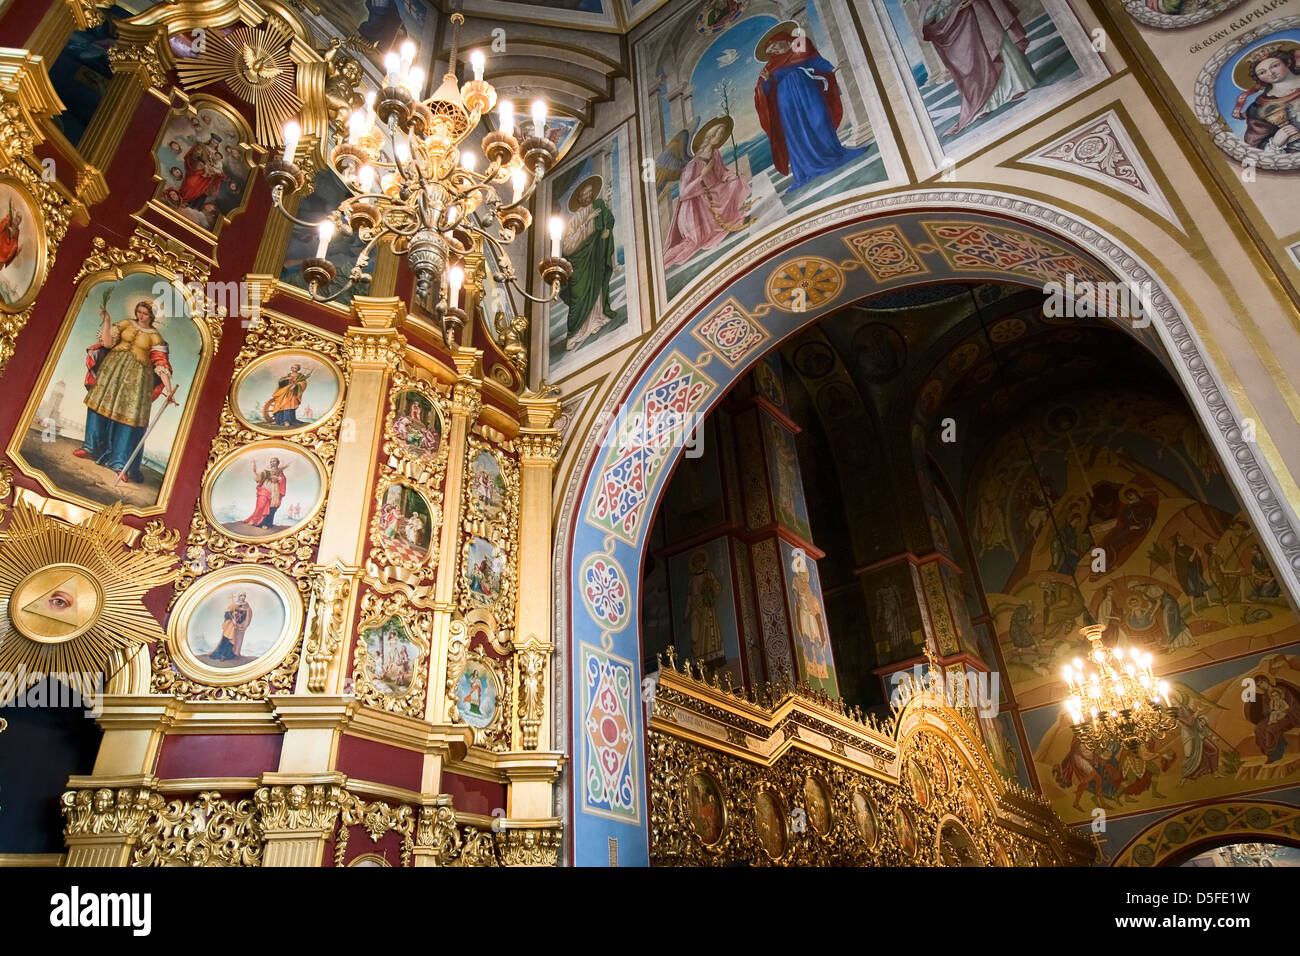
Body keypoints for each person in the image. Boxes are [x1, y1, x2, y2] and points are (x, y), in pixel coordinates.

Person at [75, 296, 175, 483]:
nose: (141, 316)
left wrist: (168, 390)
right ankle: (90, 448)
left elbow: (161, 363)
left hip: (137, 380)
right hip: (112, 371)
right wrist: (107, 320)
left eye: (145, 314)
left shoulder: (155, 337)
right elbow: (106, 343)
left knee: (129, 419)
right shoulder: (124, 324)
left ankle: (119, 464)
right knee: (98, 407)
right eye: (139, 312)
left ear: (152, 316)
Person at [753, 21, 865, 189]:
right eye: (771, 51)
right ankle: (807, 167)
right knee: (796, 132)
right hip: (786, 102)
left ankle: (832, 153)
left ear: (784, 40)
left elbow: (816, 62)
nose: (774, 52)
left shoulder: (801, 49)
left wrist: (831, 69)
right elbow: (765, 90)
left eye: (775, 47)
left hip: (808, 90)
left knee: (819, 119)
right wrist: (766, 80)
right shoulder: (769, 66)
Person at [919, 0, 1037, 137]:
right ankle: (984, 105)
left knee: (995, 45)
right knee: (971, 64)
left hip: (976, 13)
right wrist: (936, 4)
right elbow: (925, 20)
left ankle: (1016, 86)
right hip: (953, 30)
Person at [661, 116, 752, 267]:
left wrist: (730, 175)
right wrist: (702, 176)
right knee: (696, 240)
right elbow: (684, 193)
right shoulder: (693, 164)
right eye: (718, 133)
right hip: (695, 207)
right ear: (710, 136)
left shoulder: (715, 154)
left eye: (722, 134)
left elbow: (721, 172)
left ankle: (728, 215)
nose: (720, 137)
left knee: (737, 181)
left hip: (713, 192)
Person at [559, 175, 618, 350]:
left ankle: (596, 320)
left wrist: (606, 229)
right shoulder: (574, 219)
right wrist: (586, 222)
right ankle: (573, 334)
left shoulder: (598, 206)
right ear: (579, 198)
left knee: (596, 287)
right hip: (579, 262)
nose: (588, 196)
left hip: (594, 256)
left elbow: (608, 219)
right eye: (585, 195)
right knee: (578, 295)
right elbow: (568, 247)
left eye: (590, 193)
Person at [1230, 42, 1300, 154]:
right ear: (1258, 78)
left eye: (1275, 66)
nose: (1271, 73)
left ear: (1287, 62)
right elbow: (1255, 146)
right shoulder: (1259, 108)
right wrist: (1276, 142)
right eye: (1262, 72)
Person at [1245, 674, 1300, 763]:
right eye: (1259, 685)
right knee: (1259, 728)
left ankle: (1275, 754)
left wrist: (1283, 711)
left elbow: (1291, 704)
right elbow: (1265, 711)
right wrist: (1271, 709)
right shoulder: (1265, 696)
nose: (1261, 686)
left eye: (1262, 683)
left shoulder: (1282, 690)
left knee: (1271, 729)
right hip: (1273, 715)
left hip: (1287, 716)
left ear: (1267, 681)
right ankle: (1269, 751)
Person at [685, 549, 724, 662]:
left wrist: (710, 589)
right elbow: (689, 598)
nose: (698, 564)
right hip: (696, 609)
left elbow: (717, 587)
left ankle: (712, 655)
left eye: (700, 561)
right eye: (696, 562)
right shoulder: (692, 581)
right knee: (695, 633)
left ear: (703, 562)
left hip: (706, 607)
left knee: (708, 630)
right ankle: (699, 656)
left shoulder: (709, 574)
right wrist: (686, 615)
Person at [262, 363, 312, 427]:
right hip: (285, 391)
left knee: (288, 406)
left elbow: (303, 383)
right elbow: (281, 382)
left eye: (295, 368)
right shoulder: (288, 375)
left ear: (298, 369)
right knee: (279, 404)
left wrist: (296, 385)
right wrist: (285, 379)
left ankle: (287, 421)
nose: (293, 369)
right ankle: (278, 420)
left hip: (293, 393)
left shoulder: (300, 376)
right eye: (292, 367)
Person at [244, 456, 288, 529]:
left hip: (274, 490)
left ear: (277, 463)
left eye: (274, 461)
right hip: (265, 488)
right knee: (261, 505)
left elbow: (283, 479)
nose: (272, 462)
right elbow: (260, 477)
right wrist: (257, 473)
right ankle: (257, 521)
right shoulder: (267, 471)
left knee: (272, 507)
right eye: (271, 461)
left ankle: (267, 524)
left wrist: (278, 478)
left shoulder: (280, 472)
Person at [209, 592, 252, 662]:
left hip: (240, 626)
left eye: (244, 596)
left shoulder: (247, 606)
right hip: (231, 626)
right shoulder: (234, 604)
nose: (243, 597)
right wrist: (232, 619)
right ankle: (223, 655)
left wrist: (243, 623)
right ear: (239, 596)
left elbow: (248, 615)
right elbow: (227, 613)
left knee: (237, 641)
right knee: (228, 639)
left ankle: (234, 654)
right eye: (241, 595)